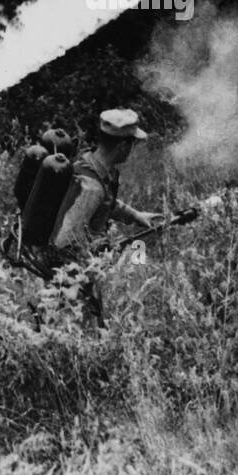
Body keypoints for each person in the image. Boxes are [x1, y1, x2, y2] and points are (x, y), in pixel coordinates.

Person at [47, 109, 161, 324]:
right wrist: (98, 258)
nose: (132, 149)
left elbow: (105, 202)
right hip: (73, 273)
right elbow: (64, 242)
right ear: (122, 146)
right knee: (88, 325)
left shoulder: (91, 164)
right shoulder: (92, 187)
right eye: (132, 144)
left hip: (82, 267)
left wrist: (136, 215)